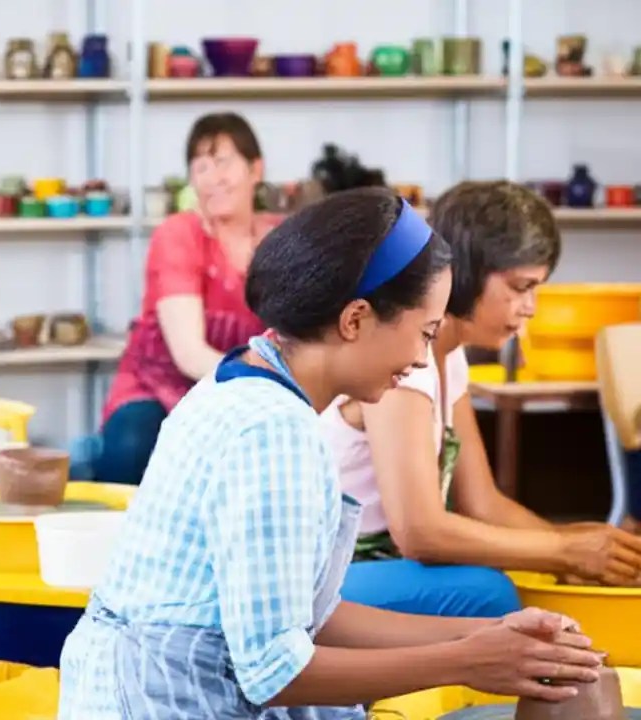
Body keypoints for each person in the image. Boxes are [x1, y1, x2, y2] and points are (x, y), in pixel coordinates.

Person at [58, 187, 602, 718]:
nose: (420, 360)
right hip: (158, 699)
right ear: (354, 319)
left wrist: (479, 634)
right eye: (424, 332)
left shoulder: (250, 375)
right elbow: (275, 673)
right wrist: (463, 661)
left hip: (171, 683)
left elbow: (310, 615)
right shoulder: (273, 431)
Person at [329, 180, 641, 617]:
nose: (530, 306)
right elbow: (417, 531)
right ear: (467, 270)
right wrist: (562, 551)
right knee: (488, 591)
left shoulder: (450, 356)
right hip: (321, 571)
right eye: (519, 287)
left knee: (517, 576)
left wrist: (585, 550)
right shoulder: (404, 357)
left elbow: (482, 502)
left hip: (375, 567)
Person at [89, 112, 282, 484]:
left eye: (223, 162)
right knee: (133, 444)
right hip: (161, 389)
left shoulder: (278, 238)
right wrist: (270, 382)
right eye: (201, 167)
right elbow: (189, 354)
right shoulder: (179, 235)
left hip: (245, 392)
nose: (212, 179)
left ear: (255, 169)